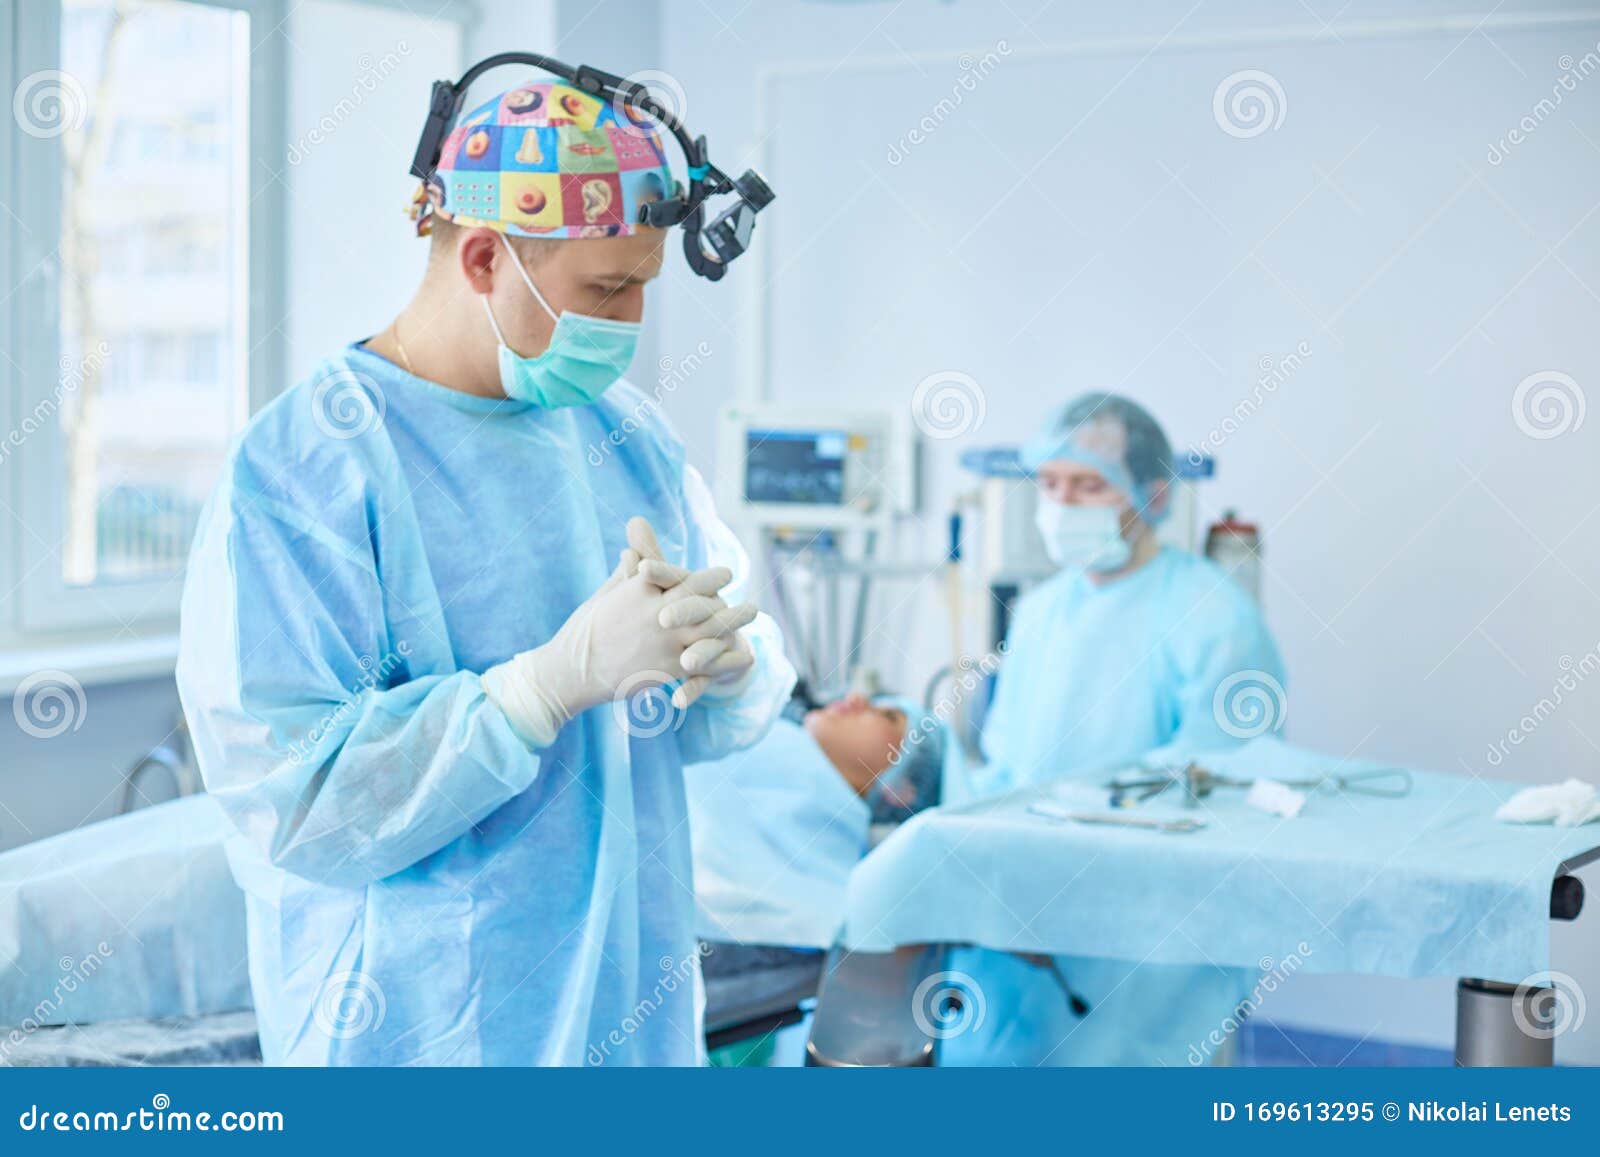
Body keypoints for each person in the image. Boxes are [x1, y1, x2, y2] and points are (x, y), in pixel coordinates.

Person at [176, 75, 794, 1066]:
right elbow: (292, 800)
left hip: (631, 1016)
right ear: (482, 257)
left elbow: (722, 683)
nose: (630, 322)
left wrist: (733, 663)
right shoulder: (307, 467)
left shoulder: (626, 435)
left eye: (643, 284)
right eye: (607, 290)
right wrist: (537, 691)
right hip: (418, 1035)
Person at [940, 392, 1287, 1067]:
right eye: (1049, 484)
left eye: (1089, 485)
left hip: (1148, 937)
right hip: (1021, 930)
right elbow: (1007, 770)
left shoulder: (1214, 616)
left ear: (1153, 495)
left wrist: (1077, 890)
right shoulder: (1041, 611)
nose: (1062, 504)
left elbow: (1223, 790)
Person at [686, 693, 946, 950]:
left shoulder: (829, 898)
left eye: (887, 716)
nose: (857, 698)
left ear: (901, 791)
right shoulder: (758, 730)